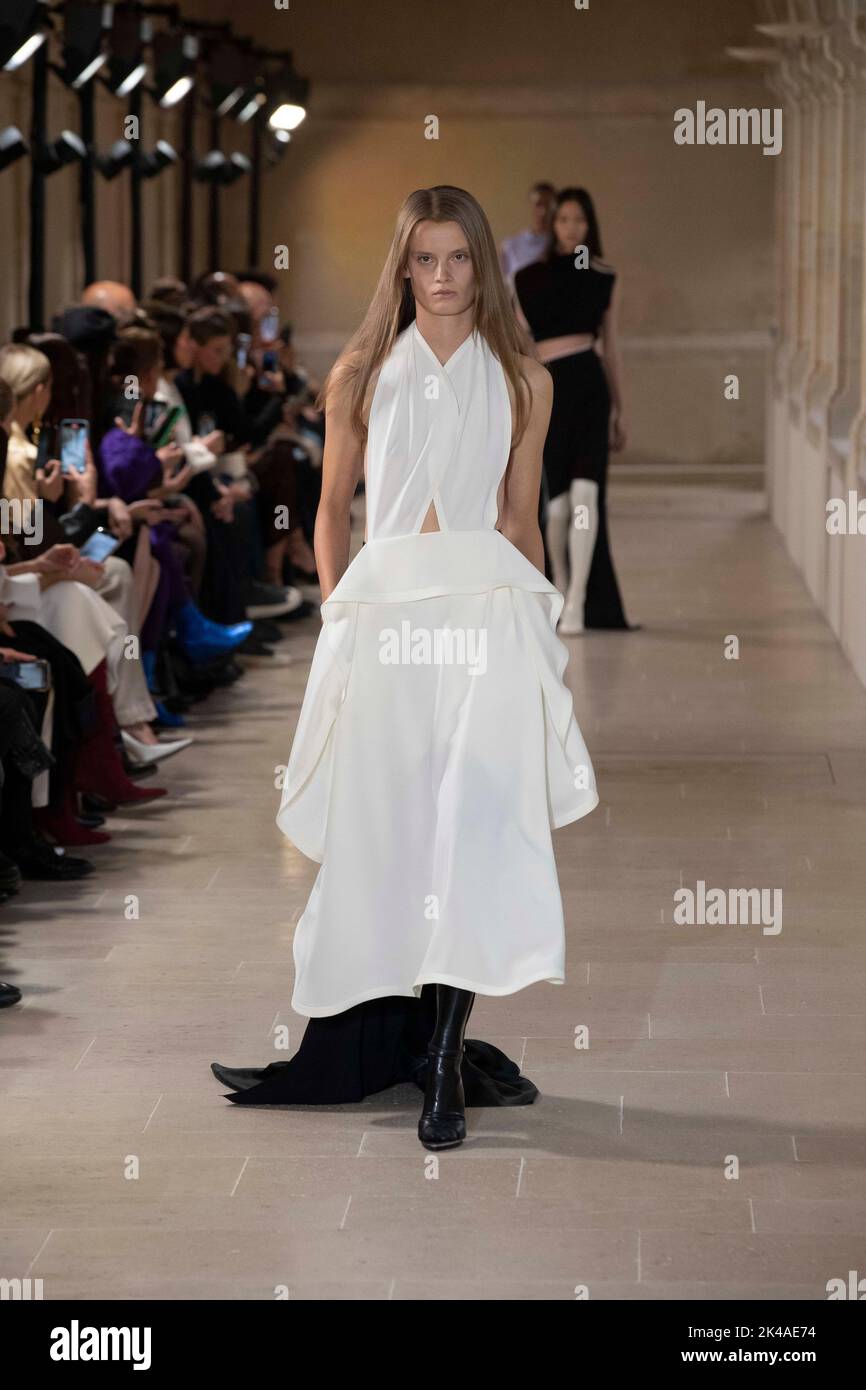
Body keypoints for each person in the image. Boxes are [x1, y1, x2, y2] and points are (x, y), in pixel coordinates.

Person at [212, 185, 600, 1151]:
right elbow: (331, 507)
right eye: (423, 260)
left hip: (480, 618)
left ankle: (444, 1067)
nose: (440, 277)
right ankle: (404, 1040)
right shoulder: (359, 372)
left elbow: (517, 522)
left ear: (483, 265)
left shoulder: (524, 381)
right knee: (386, 832)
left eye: (458, 259)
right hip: (385, 624)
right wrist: (341, 613)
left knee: (469, 829)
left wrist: (542, 631)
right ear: (403, 267)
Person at [514, 186, 633, 633]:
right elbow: (520, 348)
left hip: (589, 385)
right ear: (552, 224)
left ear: (590, 225)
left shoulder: (603, 276)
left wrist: (622, 409)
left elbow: (612, 347)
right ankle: (561, 588)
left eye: (579, 220)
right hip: (549, 389)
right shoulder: (528, 278)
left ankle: (580, 601)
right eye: (564, 220)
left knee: (586, 496)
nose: (571, 228)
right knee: (558, 504)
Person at [499, 181, 556, 283]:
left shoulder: (560, 246)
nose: (543, 212)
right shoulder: (510, 246)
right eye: (538, 204)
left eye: (548, 205)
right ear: (530, 206)